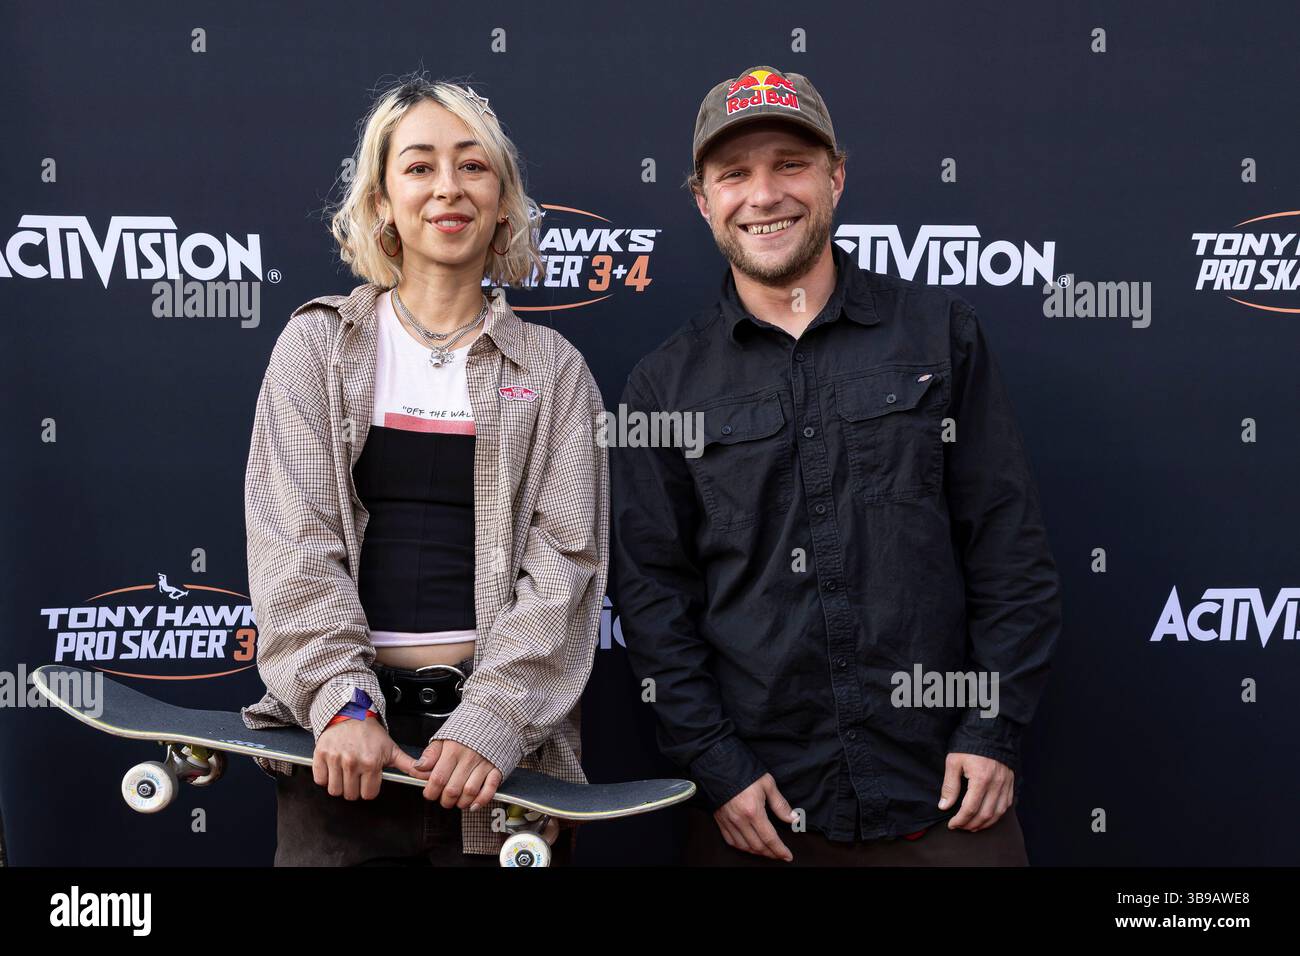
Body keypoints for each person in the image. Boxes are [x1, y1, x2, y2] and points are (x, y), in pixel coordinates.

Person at [609, 66, 1062, 865]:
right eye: (735, 174)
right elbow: (652, 602)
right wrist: (718, 766)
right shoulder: (663, 384)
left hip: (947, 800)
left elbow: (1008, 550)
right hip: (762, 815)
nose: (764, 194)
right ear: (702, 199)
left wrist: (993, 729)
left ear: (836, 177)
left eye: (790, 164)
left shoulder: (939, 336)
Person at [240, 74, 609, 866]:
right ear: (381, 201)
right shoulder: (317, 349)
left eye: (473, 166)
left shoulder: (554, 370)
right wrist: (343, 703)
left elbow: (566, 568)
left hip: (504, 766)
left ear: (504, 201)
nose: (449, 188)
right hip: (341, 754)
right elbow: (292, 549)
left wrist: (493, 722)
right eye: (419, 166)